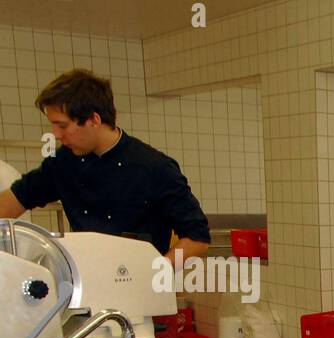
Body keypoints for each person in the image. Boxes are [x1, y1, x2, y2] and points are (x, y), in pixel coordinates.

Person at [0, 69, 210, 261]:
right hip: (89, 283)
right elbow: (16, 198)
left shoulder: (154, 168)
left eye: (62, 125)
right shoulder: (63, 163)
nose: (56, 134)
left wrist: (159, 270)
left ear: (93, 120)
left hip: (142, 293)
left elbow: (197, 238)